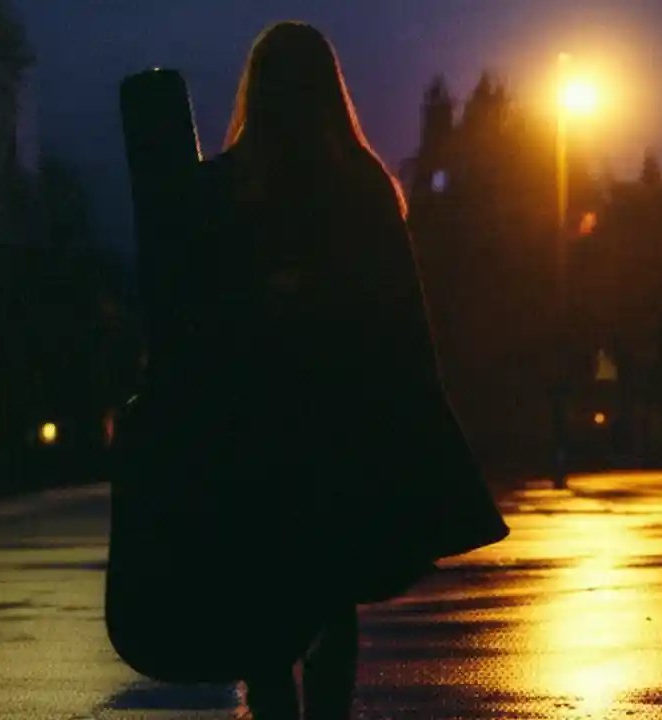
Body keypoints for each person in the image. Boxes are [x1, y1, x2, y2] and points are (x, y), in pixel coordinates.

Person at [173, 21, 508, 720]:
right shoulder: (361, 184)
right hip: (338, 424)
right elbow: (400, 316)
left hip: (251, 426)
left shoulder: (220, 190)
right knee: (330, 594)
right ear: (331, 91)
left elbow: (190, 316)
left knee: (264, 601)